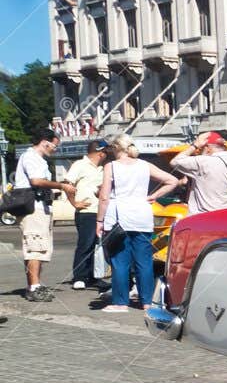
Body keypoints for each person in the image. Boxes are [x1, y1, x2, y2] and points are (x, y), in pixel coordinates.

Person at [96, 135, 180, 313]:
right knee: (144, 261)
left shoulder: (111, 167)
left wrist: (99, 220)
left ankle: (120, 302)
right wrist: (154, 196)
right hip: (142, 216)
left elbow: (104, 197)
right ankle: (147, 302)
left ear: (116, 148)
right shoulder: (145, 165)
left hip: (119, 218)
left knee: (120, 262)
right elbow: (172, 181)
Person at [16, 129, 71, 303]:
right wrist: (61, 186)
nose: (55, 149)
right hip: (34, 209)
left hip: (41, 207)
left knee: (39, 247)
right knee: (35, 248)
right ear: (45, 141)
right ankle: (34, 287)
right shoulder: (31, 157)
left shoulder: (39, 159)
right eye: (55, 145)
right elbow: (36, 181)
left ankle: (34, 285)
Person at [63, 137, 108, 290]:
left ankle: (95, 276)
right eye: (106, 152)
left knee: (98, 245)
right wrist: (75, 203)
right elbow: (67, 185)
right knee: (85, 244)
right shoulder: (80, 165)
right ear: (100, 153)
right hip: (87, 212)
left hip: (101, 211)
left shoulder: (103, 169)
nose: (107, 155)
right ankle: (80, 277)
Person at [171, 131, 227, 214]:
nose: (198, 152)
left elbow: (175, 162)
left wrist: (195, 145)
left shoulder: (202, 162)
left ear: (207, 148)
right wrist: (223, 147)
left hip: (203, 218)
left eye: (200, 149)